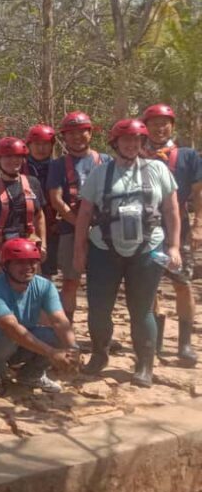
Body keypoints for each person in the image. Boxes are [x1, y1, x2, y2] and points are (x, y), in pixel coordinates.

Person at [74, 119, 181, 387]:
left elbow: (171, 210)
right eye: (126, 140)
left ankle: (144, 364)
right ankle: (99, 354)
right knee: (99, 309)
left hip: (147, 249)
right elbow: (85, 213)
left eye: (136, 140)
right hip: (104, 248)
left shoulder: (157, 169)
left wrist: (174, 247)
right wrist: (79, 251)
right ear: (115, 143)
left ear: (142, 142)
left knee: (141, 310)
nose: (131, 144)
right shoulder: (100, 173)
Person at [0, 238, 79, 397]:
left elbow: (59, 321)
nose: (28, 267)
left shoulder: (45, 286)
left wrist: (73, 350)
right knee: (7, 335)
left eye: (32, 262)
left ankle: (31, 375)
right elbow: (11, 327)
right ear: (6, 266)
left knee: (57, 336)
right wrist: (52, 353)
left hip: (22, 338)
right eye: (20, 262)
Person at [142, 103, 200, 365]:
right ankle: (154, 339)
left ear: (172, 126)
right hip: (145, 229)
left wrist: (199, 225)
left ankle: (184, 343)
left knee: (182, 282)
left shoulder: (188, 156)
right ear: (146, 127)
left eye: (164, 123)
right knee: (149, 284)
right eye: (154, 124)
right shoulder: (137, 154)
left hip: (179, 228)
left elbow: (199, 193)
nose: (159, 128)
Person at [47, 111, 111, 322]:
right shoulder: (58, 165)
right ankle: (67, 329)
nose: (77, 137)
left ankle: (100, 328)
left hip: (104, 233)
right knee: (70, 281)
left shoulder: (106, 161)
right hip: (70, 230)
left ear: (90, 133)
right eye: (71, 133)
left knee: (101, 283)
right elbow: (56, 200)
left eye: (81, 132)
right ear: (64, 137)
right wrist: (81, 225)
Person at [0, 137, 47, 277]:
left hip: (28, 250)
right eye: (7, 157)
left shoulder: (33, 183)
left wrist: (43, 245)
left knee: (30, 288)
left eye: (17, 157)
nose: (13, 161)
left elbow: (39, 216)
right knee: (0, 289)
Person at [24, 124, 60, 278]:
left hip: (52, 227)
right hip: (25, 227)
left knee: (46, 271)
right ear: (29, 145)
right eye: (37, 144)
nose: (41, 148)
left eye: (46, 144)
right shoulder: (19, 167)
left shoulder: (59, 167)